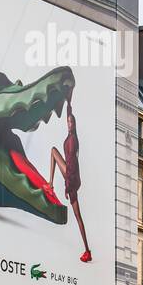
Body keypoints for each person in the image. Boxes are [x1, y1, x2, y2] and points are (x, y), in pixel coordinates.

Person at [48, 101, 92, 263]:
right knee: (53, 151)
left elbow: (72, 165)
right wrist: (69, 99)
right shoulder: (71, 134)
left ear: (74, 124)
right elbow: (69, 111)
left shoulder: (73, 140)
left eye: (71, 122)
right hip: (70, 173)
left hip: (71, 177)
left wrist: (67, 187)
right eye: (68, 121)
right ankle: (50, 183)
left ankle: (87, 250)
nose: (69, 124)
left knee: (77, 216)